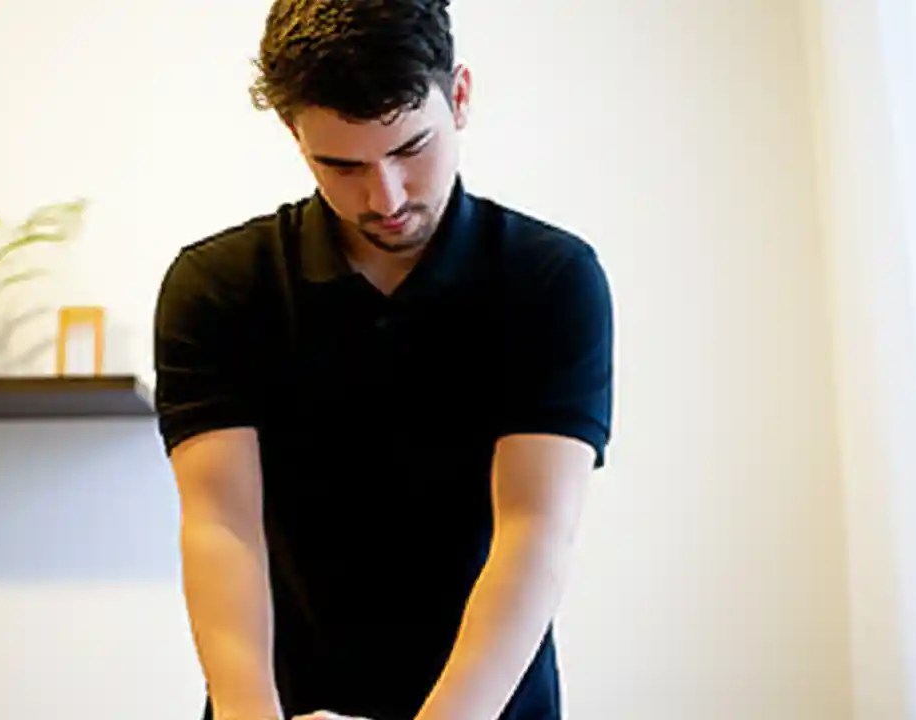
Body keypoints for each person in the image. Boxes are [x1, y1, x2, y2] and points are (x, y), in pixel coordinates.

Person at [152, 1, 614, 718]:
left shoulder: (548, 279)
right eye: (341, 165)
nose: (385, 197)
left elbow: (534, 530)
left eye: (410, 149)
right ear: (294, 134)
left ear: (460, 96)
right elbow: (221, 528)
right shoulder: (218, 288)